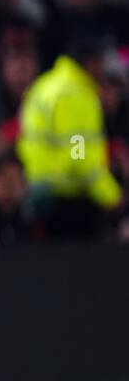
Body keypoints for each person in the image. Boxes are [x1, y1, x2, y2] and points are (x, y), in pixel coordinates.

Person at [17, 36, 124, 238]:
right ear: (90, 62)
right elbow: (78, 156)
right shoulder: (74, 95)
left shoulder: (47, 84)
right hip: (63, 198)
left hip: (38, 190)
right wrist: (112, 196)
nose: (103, 69)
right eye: (101, 62)